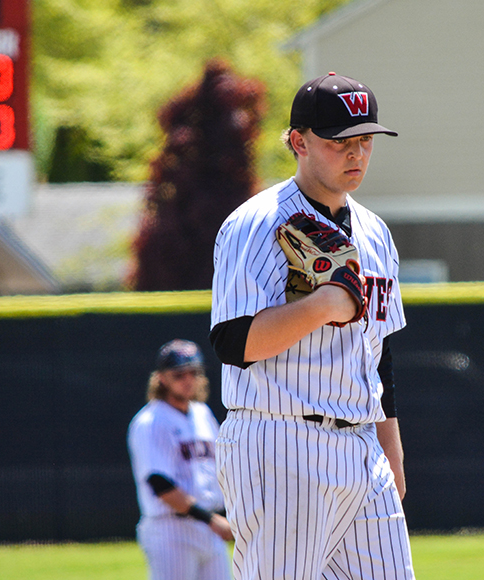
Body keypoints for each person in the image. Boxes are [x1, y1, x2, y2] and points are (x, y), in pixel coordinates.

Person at [209, 72, 414, 579]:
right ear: (299, 142)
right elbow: (234, 342)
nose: (356, 154)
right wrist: (322, 305)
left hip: (363, 448)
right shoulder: (257, 222)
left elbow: (378, 352)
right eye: (339, 142)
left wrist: (392, 449)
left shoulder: (374, 231)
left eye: (365, 141)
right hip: (282, 441)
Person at [127, 339, 234, 580]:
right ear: (162, 378)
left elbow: (222, 468)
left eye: (193, 372)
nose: (188, 379)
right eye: (179, 374)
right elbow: (159, 484)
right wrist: (211, 520)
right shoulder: (151, 422)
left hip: (208, 526)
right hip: (170, 530)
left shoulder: (202, 414)